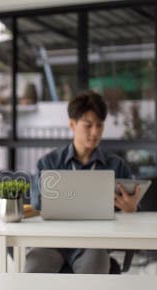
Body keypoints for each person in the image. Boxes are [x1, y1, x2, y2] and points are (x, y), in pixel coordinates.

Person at [28, 91, 140, 274]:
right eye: (88, 126)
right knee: (33, 272)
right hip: (52, 241)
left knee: (93, 283)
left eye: (99, 126)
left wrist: (131, 210)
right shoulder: (48, 164)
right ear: (72, 124)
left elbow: (137, 211)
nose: (95, 132)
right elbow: (36, 204)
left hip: (94, 244)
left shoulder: (116, 166)